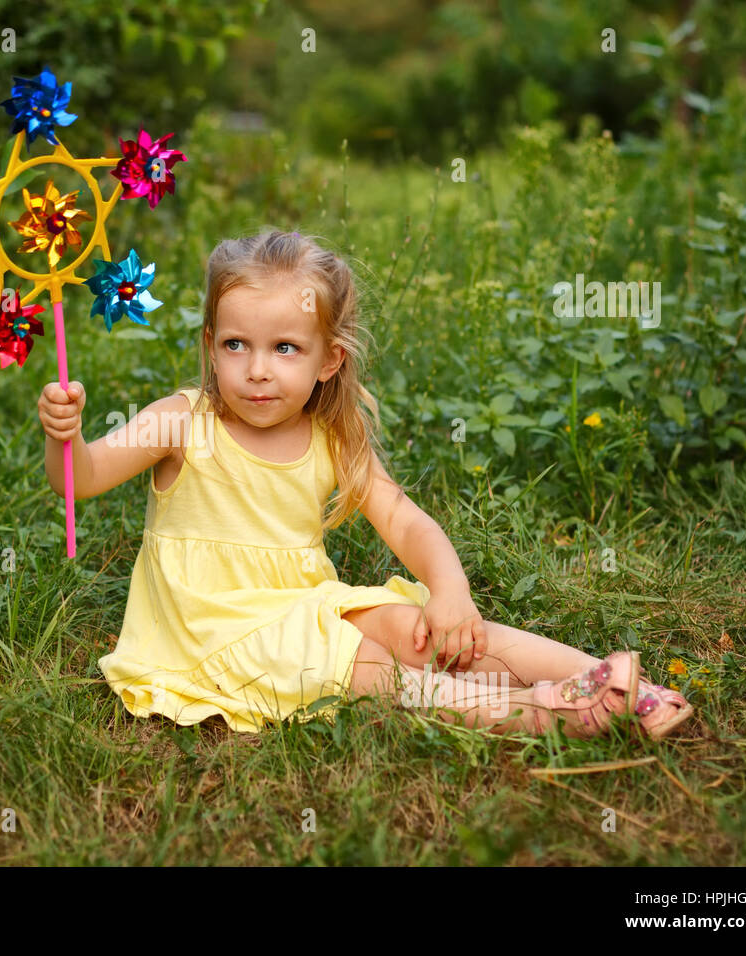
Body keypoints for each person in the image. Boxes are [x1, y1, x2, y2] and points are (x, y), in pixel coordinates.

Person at [37, 229, 694, 739]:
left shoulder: (329, 438)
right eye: (236, 344)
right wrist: (64, 437)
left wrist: (451, 590)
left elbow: (404, 521)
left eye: (285, 349)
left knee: (417, 632)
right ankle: (540, 714)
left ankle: (609, 681)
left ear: (330, 359)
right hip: (213, 630)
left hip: (302, 603)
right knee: (373, 672)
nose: (258, 370)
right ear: (211, 345)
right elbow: (82, 481)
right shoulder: (183, 422)